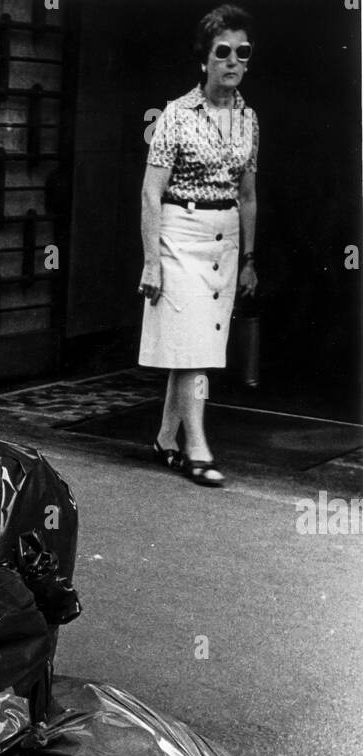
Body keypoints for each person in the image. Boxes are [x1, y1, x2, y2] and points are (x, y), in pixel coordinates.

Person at [138, 5, 259, 487]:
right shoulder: (175, 115)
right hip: (179, 236)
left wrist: (250, 258)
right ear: (204, 60)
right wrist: (151, 261)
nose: (232, 61)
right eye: (222, 52)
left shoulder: (250, 119)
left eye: (242, 53)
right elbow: (150, 190)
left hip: (224, 241)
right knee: (194, 351)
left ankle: (166, 439)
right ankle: (197, 447)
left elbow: (248, 195)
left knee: (196, 346)